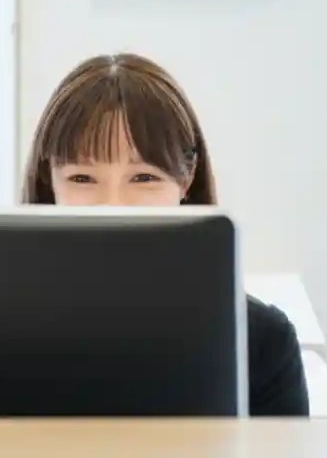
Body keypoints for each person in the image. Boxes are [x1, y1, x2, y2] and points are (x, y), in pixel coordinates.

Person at [22, 53, 310, 417]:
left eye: (144, 178)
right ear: (50, 183)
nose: (114, 206)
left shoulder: (261, 340)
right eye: (82, 178)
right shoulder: (1, 335)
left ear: (186, 179)